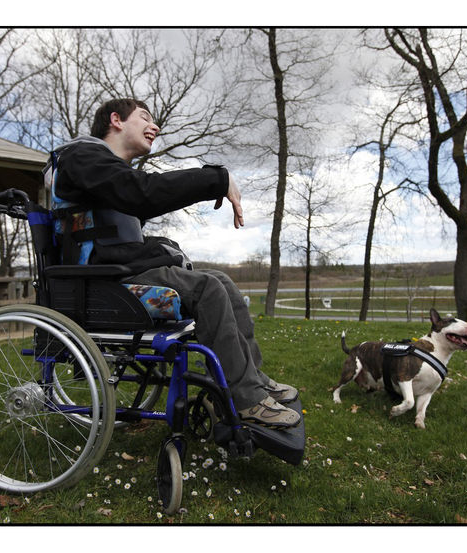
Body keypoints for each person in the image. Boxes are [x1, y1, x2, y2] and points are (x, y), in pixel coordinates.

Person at [49, 98, 300, 429]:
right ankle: (247, 401)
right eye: (145, 118)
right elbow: (144, 193)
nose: (155, 126)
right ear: (116, 120)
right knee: (208, 288)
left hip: (117, 274)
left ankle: (251, 379)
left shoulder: (105, 172)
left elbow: (143, 197)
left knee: (221, 280)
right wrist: (216, 179)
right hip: (100, 286)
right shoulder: (81, 157)